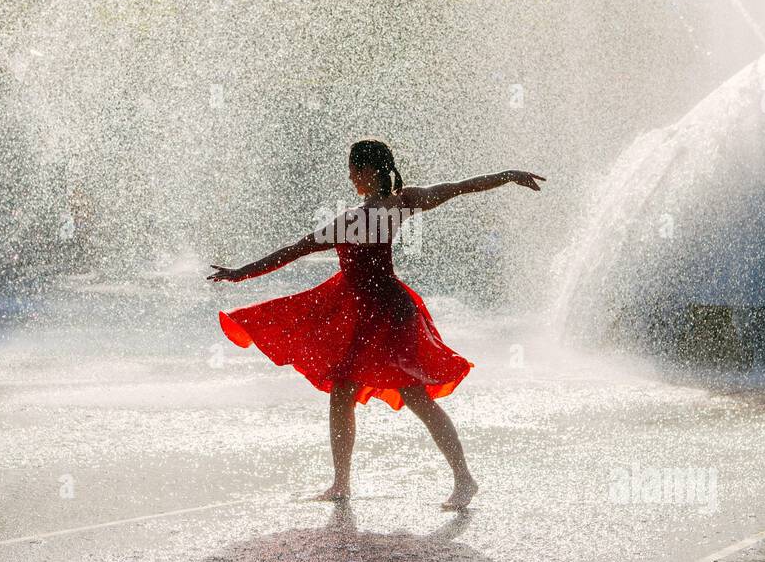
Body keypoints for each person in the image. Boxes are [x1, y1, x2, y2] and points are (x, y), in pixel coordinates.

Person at [209, 138, 545, 510]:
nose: (351, 177)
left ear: (369, 171)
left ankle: (464, 479)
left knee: (415, 395)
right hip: (364, 314)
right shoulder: (378, 210)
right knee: (342, 394)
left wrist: (508, 176)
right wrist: (241, 273)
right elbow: (296, 249)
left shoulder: (376, 211)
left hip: (386, 314)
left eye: (354, 169)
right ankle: (341, 483)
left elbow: (459, 188)